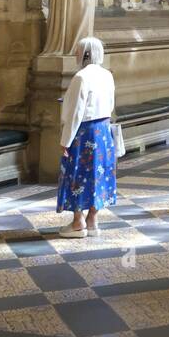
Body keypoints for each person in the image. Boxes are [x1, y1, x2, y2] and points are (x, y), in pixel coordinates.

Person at [57, 37, 117, 237]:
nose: (76, 54)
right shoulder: (107, 75)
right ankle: (93, 218)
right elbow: (110, 105)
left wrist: (65, 141)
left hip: (84, 133)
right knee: (99, 175)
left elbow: (75, 113)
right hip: (103, 131)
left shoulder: (81, 77)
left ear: (84, 54)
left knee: (76, 174)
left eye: (78, 51)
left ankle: (77, 221)